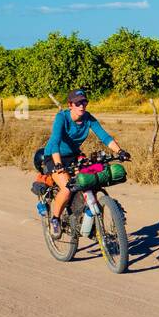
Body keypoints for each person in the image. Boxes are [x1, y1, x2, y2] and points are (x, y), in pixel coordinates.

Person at [44, 89, 129, 237]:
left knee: (91, 178)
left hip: (74, 155)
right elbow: (56, 141)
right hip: (54, 156)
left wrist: (119, 151)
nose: (82, 106)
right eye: (78, 103)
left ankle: (89, 216)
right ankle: (55, 220)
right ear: (70, 105)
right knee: (67, 188)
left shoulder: (88, 118)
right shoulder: (62, 117)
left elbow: (105, 137)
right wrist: (58, 164)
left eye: (84, 102)